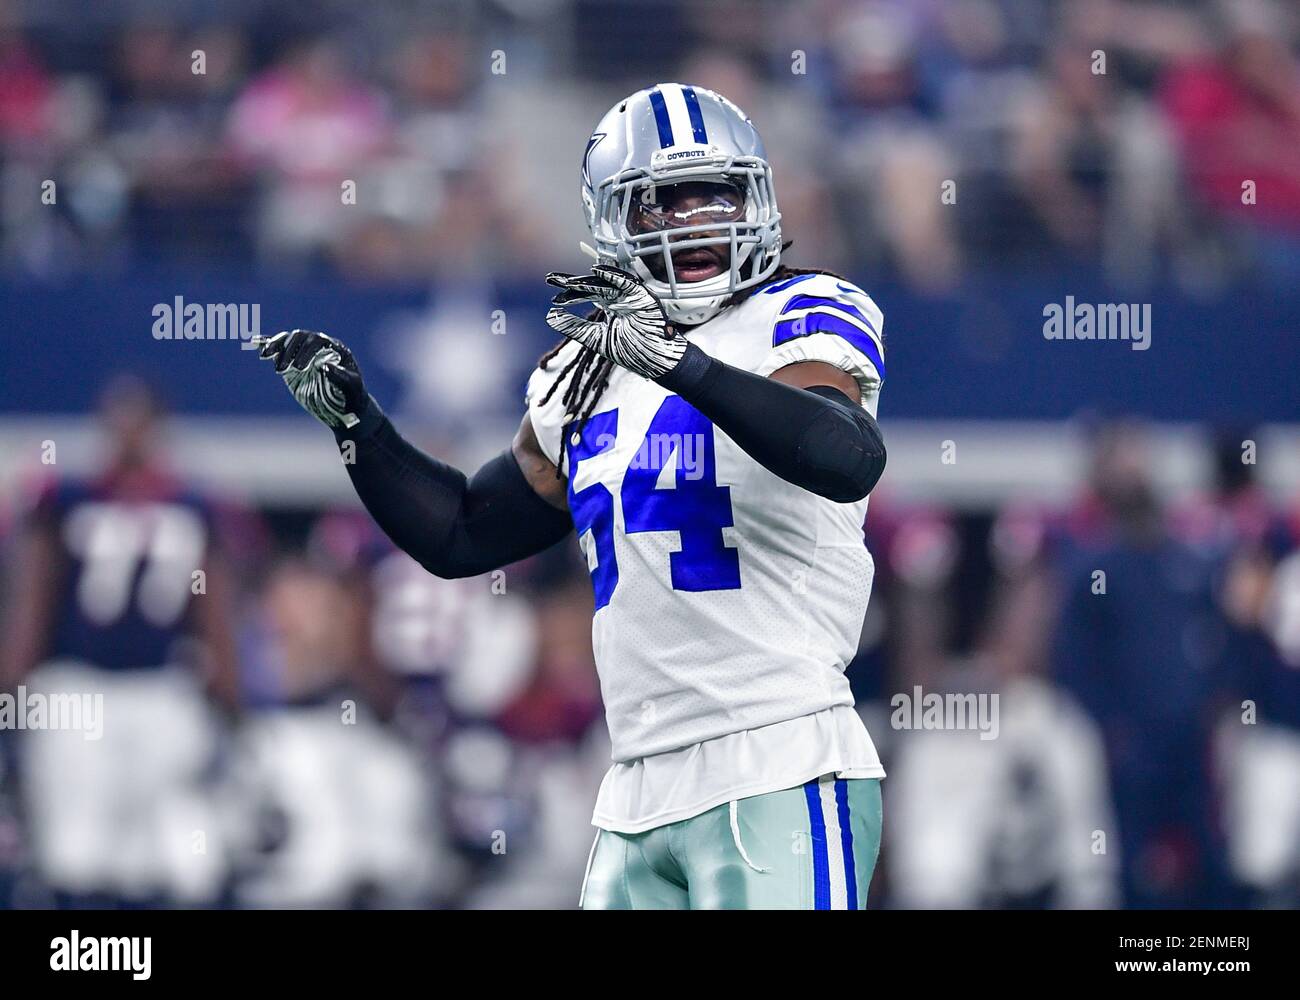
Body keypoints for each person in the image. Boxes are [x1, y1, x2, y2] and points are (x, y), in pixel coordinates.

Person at [257, 84, 888, 909]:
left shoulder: (799, 311)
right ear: (614, 222)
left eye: (718, 195)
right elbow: (461, 534)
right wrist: (359, 428)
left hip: (778, 754)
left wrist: (674, 361)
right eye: (665, 202)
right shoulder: (585, 373)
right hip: (634, 784)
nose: (698, 220)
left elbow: (844, 455)